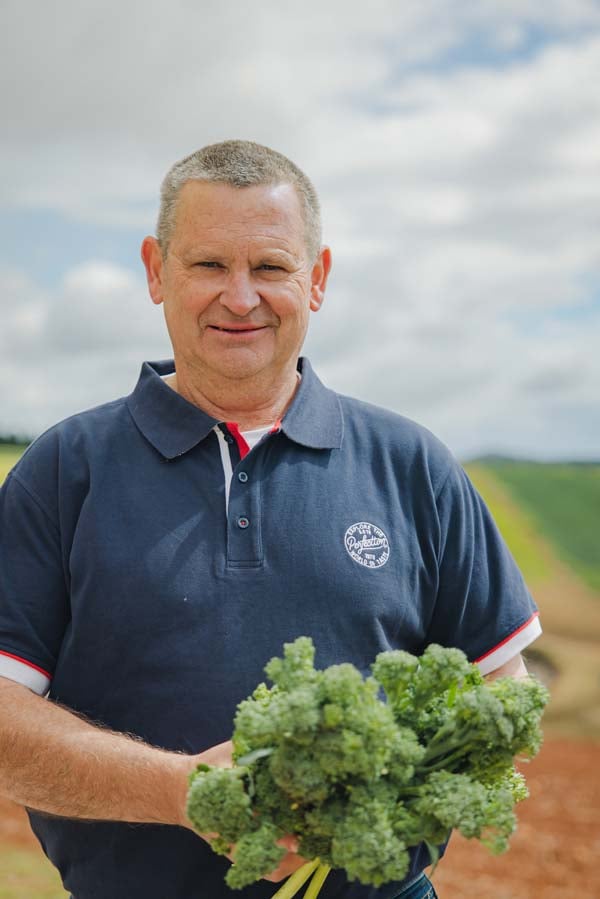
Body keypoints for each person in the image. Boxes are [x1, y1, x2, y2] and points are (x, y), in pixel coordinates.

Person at [0, 140, 541, 899]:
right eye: (209, 264)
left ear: (315, 279)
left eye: (271, 267)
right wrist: (182, 789)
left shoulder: (412, 464)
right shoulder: (63, 470)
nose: (240, 296)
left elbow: (503, 692)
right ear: (156, 271)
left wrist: (366, 809)